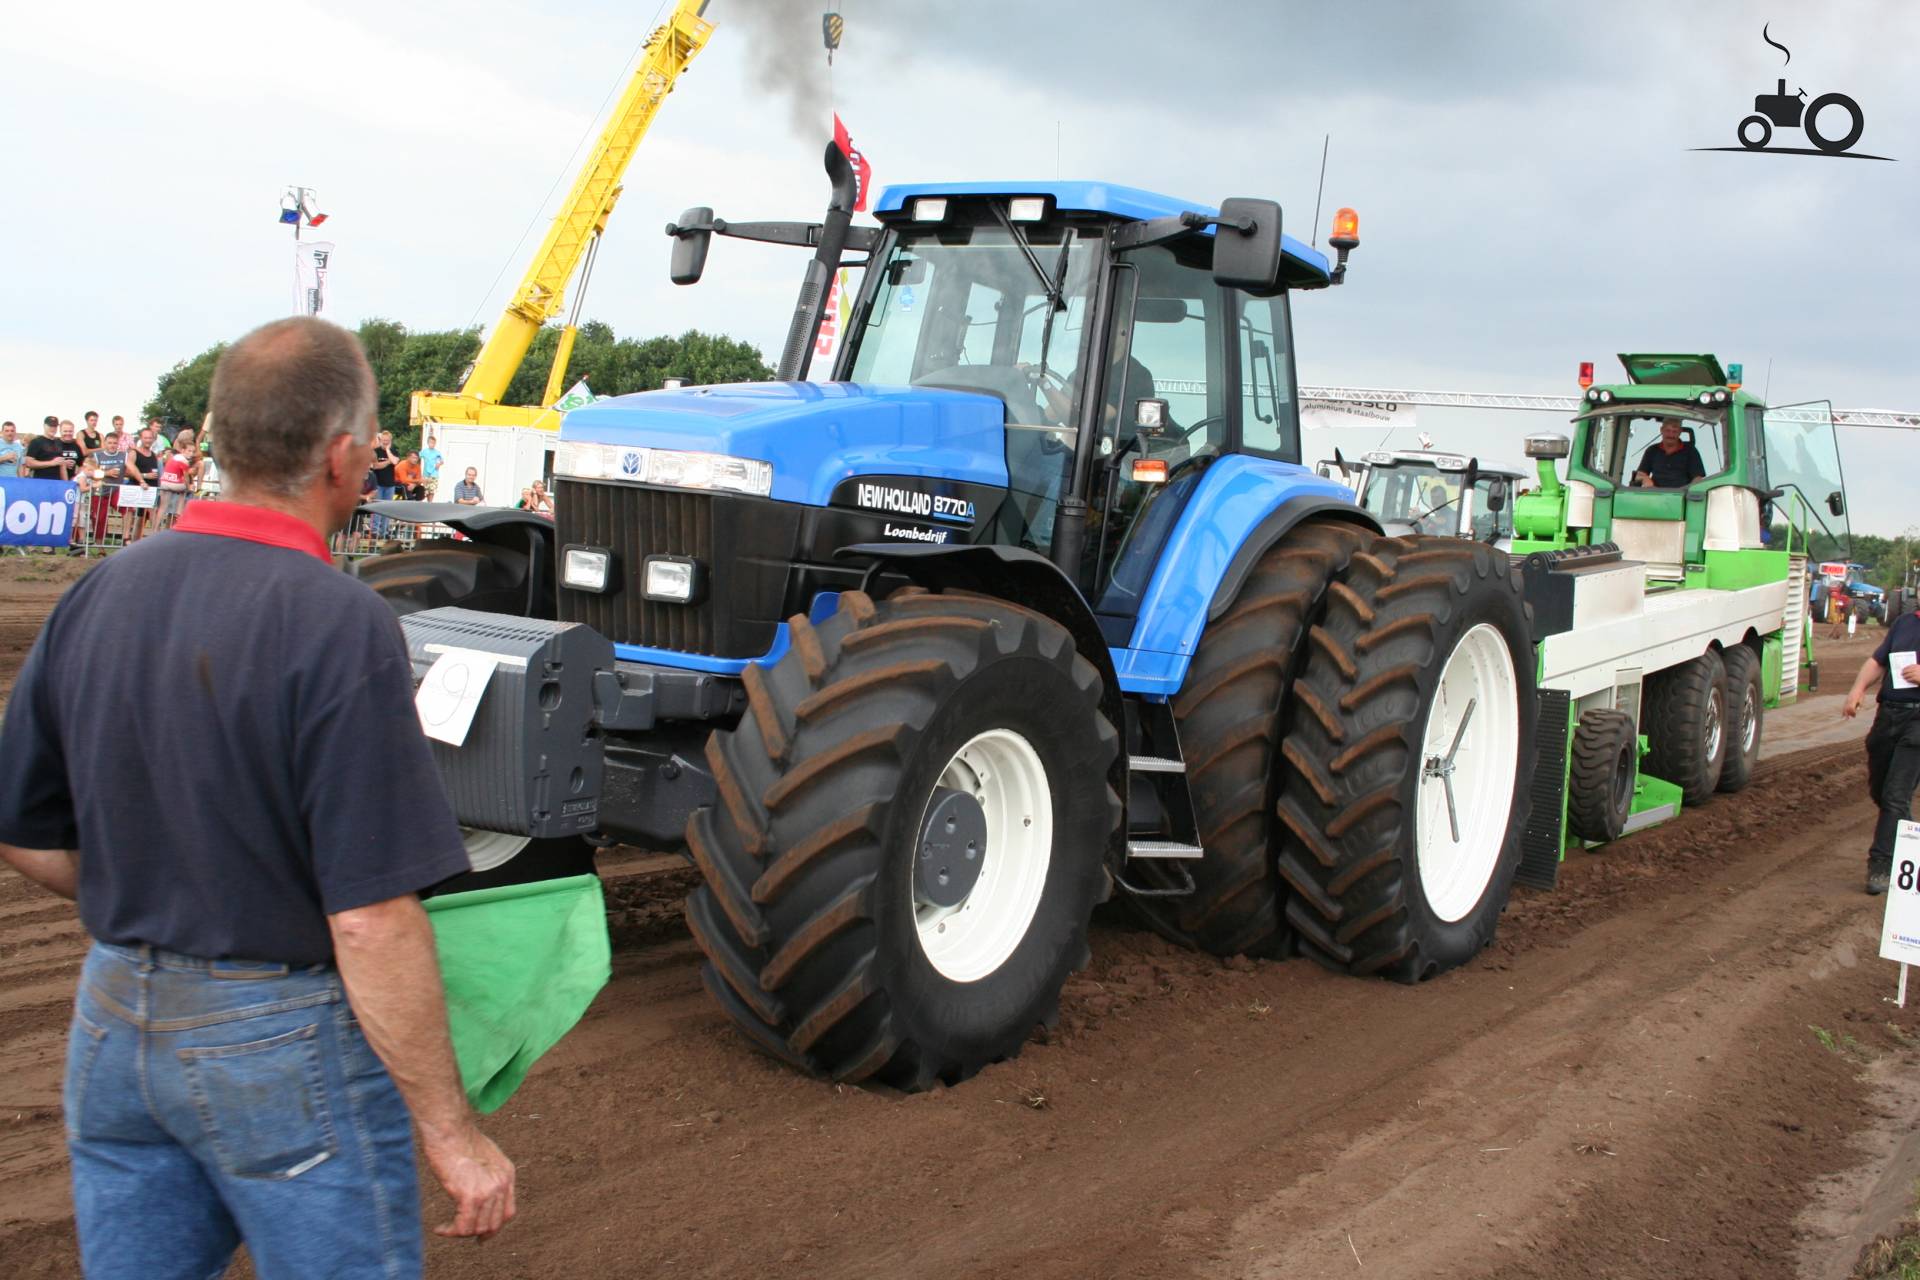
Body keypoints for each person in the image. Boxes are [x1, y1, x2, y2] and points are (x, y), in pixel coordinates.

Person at [0, 316, 515, 1279]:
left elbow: (24, 835)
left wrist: (160, 892)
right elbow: (369, 917)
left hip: (113, 1015)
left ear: (223, 435)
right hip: (275, 1036)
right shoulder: (340, 619)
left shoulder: (101, 589)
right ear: (340, 456)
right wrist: (453, 1136)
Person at [1844, 596, 1920, 896]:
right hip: (1888, 715)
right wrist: (1857, 690)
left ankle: (1881, 865)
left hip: (1918, 723)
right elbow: (1878, 660)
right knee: (1881, 792)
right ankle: (1911, 839)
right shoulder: (1904, 622)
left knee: (1894, 796)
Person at [1632, 418, 1706, 489]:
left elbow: (1698, 478)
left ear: (1680, 432)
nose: (1671, 435)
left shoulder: (1690, 451)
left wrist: (1690, 492)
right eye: (1668, 431)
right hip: (1655, 495)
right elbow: (1639, 475)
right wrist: (1646, 480)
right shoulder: (1652, 451)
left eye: (1674, 431)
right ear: (1661, 430)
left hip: (1681, 496)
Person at [87, 431, 126, 546]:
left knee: (129, 510)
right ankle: (100, 546)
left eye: (115, 443)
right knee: (99, 518)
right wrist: (106, 473)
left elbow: (131, 468)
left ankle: (126, 538)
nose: (112, 445)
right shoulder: (96, 455)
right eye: (110, 443)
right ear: (105, 443)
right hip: (99, 491)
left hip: (115, 490)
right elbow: (90, 472)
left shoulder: (123, 455)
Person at [124, 427, 162, 541]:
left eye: (150, 438)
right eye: (145, 438)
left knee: (145, 516)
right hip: (138, 488)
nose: (148, 440)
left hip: (152, 488)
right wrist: (144, 476)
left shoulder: (154, 455)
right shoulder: (134, 452)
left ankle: (153, 539)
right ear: (141, 438)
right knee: (136, 515)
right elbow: (126, 471)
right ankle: (128, 538)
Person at [419, 434, 444, 499]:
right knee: (426, 490)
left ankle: (430, 502)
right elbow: (417, 457)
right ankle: (427, 503)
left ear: (435, 443)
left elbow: (442, 461)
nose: (432, 444)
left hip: (434, 474)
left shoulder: (437, 452)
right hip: (426, 474)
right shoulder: (424, 451)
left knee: (432, 490)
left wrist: (439, 464)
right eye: (430, 442)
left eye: (433, 443)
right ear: (428, 443)